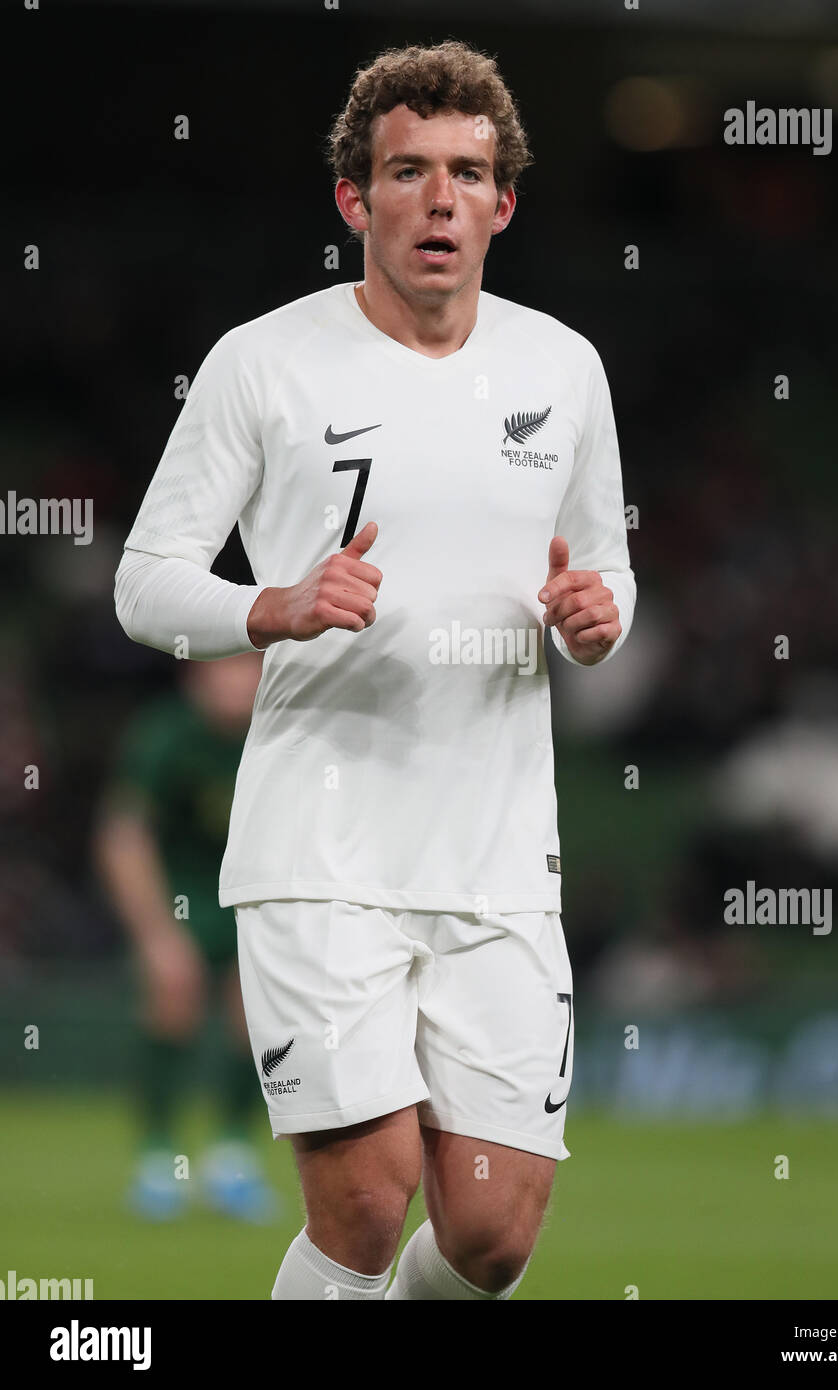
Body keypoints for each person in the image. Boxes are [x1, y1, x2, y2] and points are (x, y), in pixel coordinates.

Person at [114, 39, 635, 1300]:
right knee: (363, 1198)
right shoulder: (264, 361)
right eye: (408, 171)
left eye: (468, 172)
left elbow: (611, 573)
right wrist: (272, 604)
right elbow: (144, 580)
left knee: (492, 1235)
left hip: (500, 857)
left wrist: (595, 616)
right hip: (321, 849)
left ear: (504, 200)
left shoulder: (564, 370)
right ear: (356, 200)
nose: (440, 198)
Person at [95, 652, 279, 1223]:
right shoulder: (165, 735)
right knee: (172, 994)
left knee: (255, 1012)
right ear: (196, 677)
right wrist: (156, 935)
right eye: (220, 670)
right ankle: (157, 1160)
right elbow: (124, 836)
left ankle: (232, 1156)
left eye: (243, 669)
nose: (232, 683)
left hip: (252, 894)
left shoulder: (281, 731)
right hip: (182, 894)